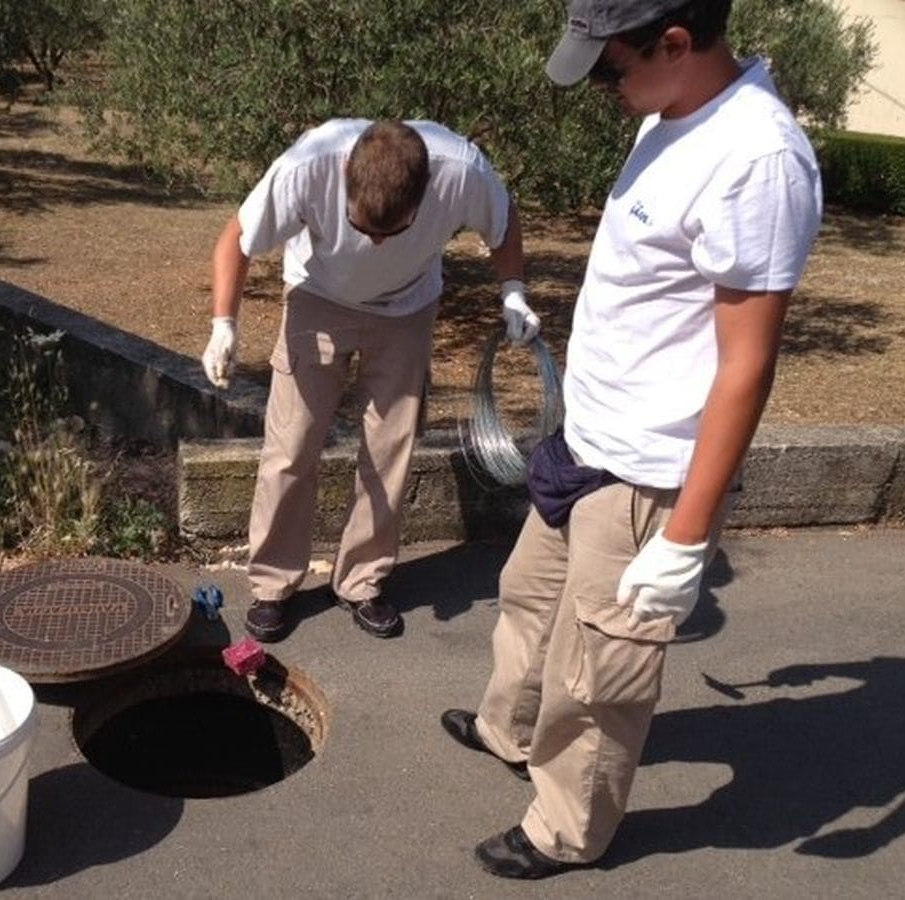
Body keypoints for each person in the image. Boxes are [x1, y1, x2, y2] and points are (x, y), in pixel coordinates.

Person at [440, 0, 823, 879]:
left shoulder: (757, 160)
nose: (605, 88)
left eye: (610, 68)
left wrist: (686, 536)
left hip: (649, 474)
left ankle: (568, 828)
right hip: (589, 441)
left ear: (677, 43)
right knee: (529, 601)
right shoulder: (669, 110)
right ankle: (513, 732)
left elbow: (746, 367)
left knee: (598, 671)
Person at [201, 119, 539, 642]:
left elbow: (503, 221)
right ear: (345, 178)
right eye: (364, 229)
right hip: (317, 296)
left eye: (393, 231)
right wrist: (224, 324)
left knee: (390, 449)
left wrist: (513, 291)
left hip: (408, 307)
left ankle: (361, 581)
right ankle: (273, 585)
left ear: (426, 193)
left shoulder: (462, 169)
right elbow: (237, 240)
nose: (377, 243)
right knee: (291, 446)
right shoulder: (307, 167)